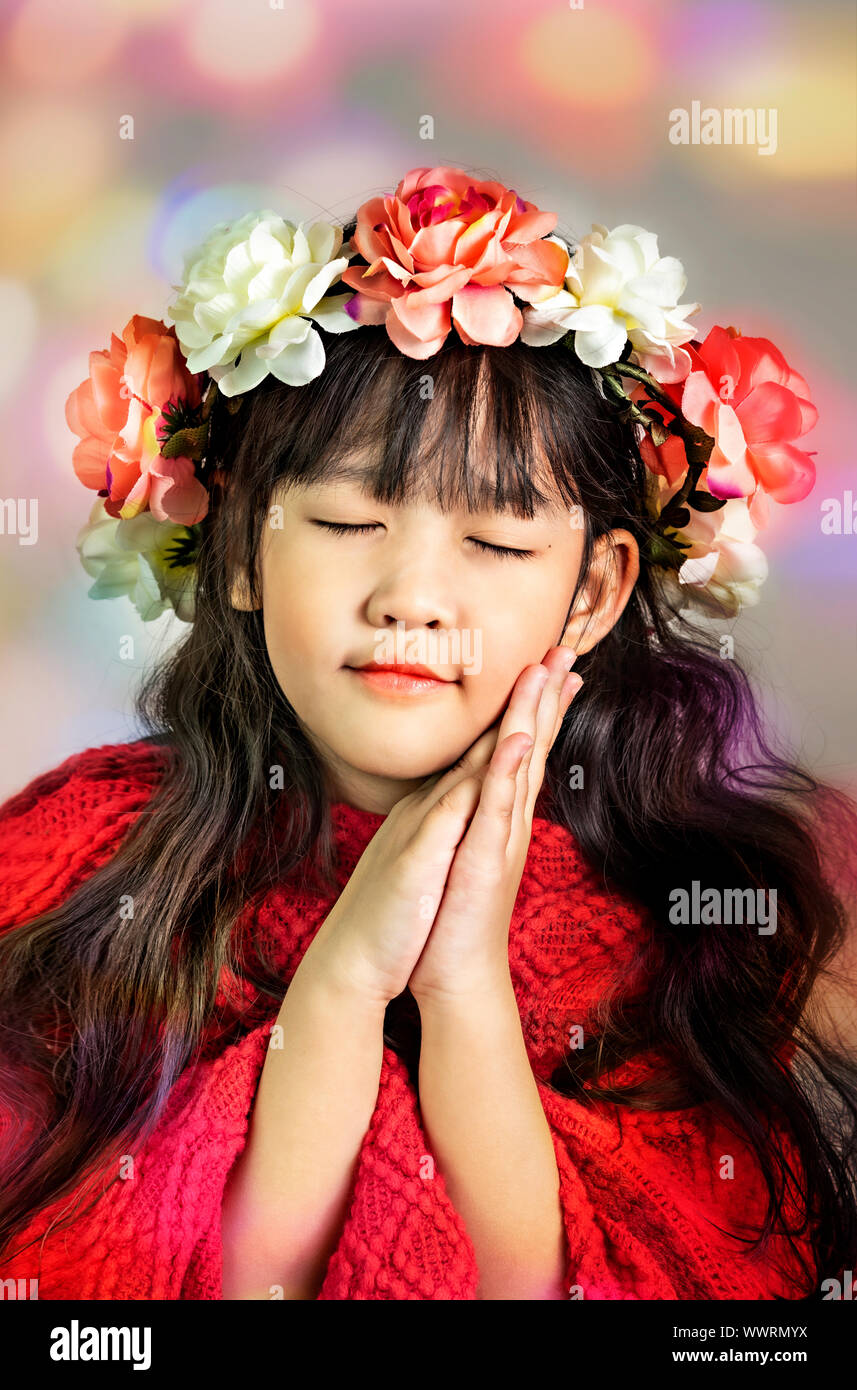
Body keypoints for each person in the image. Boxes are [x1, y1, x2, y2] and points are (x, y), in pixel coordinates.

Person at [0, 165, 854, 1301]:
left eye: (495, 547)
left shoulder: (683, 916)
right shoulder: (79, 865)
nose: (412, 597)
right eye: (350, 521)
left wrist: (462, 986)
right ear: (243, 551)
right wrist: (347, 976)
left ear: (594, 591)